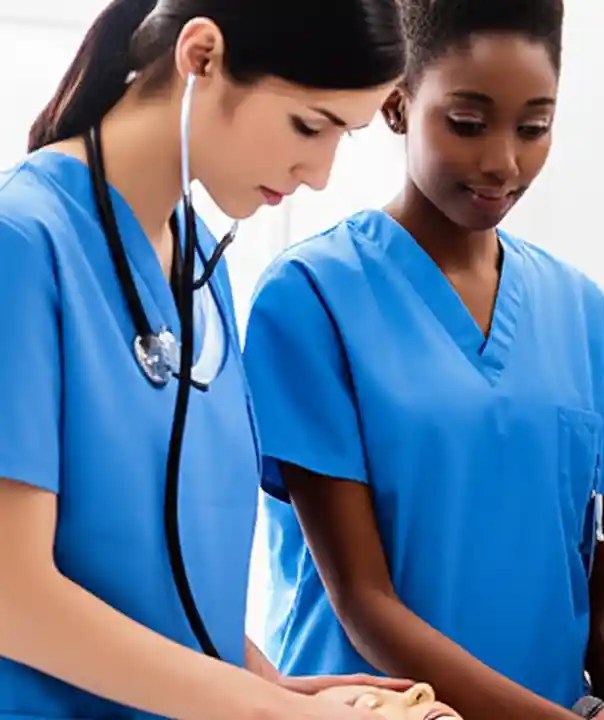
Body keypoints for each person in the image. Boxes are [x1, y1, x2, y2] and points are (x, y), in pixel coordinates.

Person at [240, 2, 604, 720]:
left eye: (534, 127)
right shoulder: (311, 298)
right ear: (399, 105)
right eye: (467, 124)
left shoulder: (578, 309)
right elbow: (365, 606)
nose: (503, 161)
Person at [0, 1, 426, 718]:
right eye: (308, 125)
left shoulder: (200, 265)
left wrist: (273, 684)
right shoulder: (23, 245)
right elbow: (13, 594)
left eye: (342, 139)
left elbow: (164, 581)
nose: (318, 173)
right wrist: (274, 712)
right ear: (201, 57)